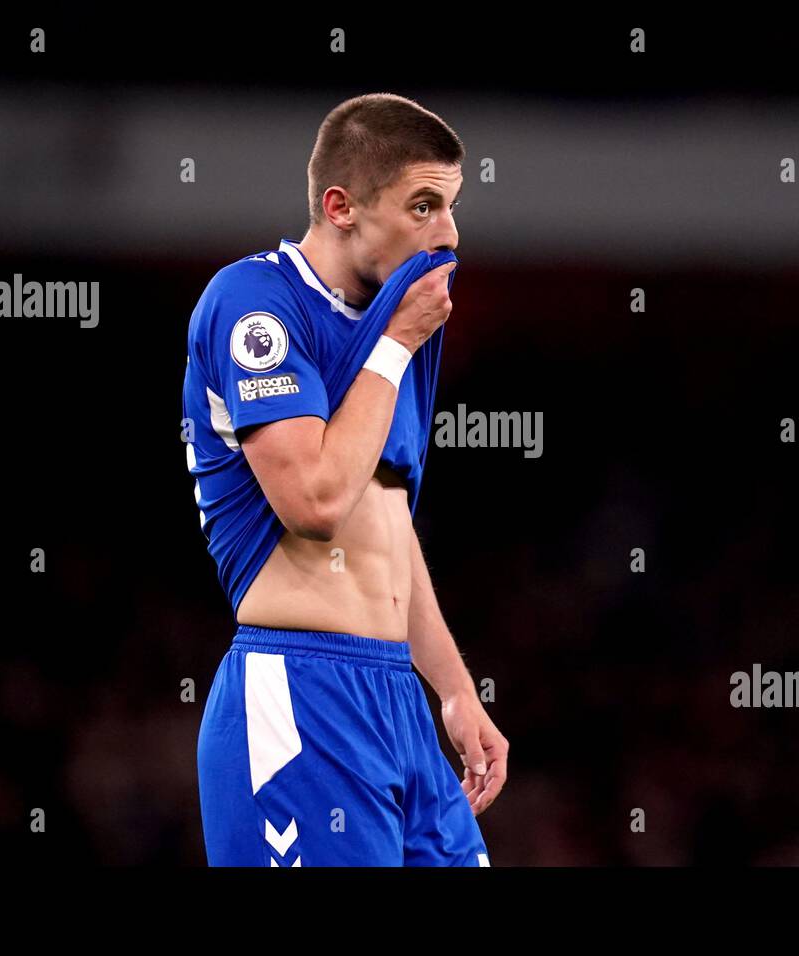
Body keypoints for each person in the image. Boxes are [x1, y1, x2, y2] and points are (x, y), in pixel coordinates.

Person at [182, 93, 507, 866]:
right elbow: (317, 503)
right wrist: (393, 344)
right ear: (341, 206)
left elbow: (384, 523)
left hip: (398, 702)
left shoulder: (398, 327)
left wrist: (455, 690)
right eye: (423, 206)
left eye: (452, 208)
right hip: (300, 694)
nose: (448, 235)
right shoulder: (255, 303)